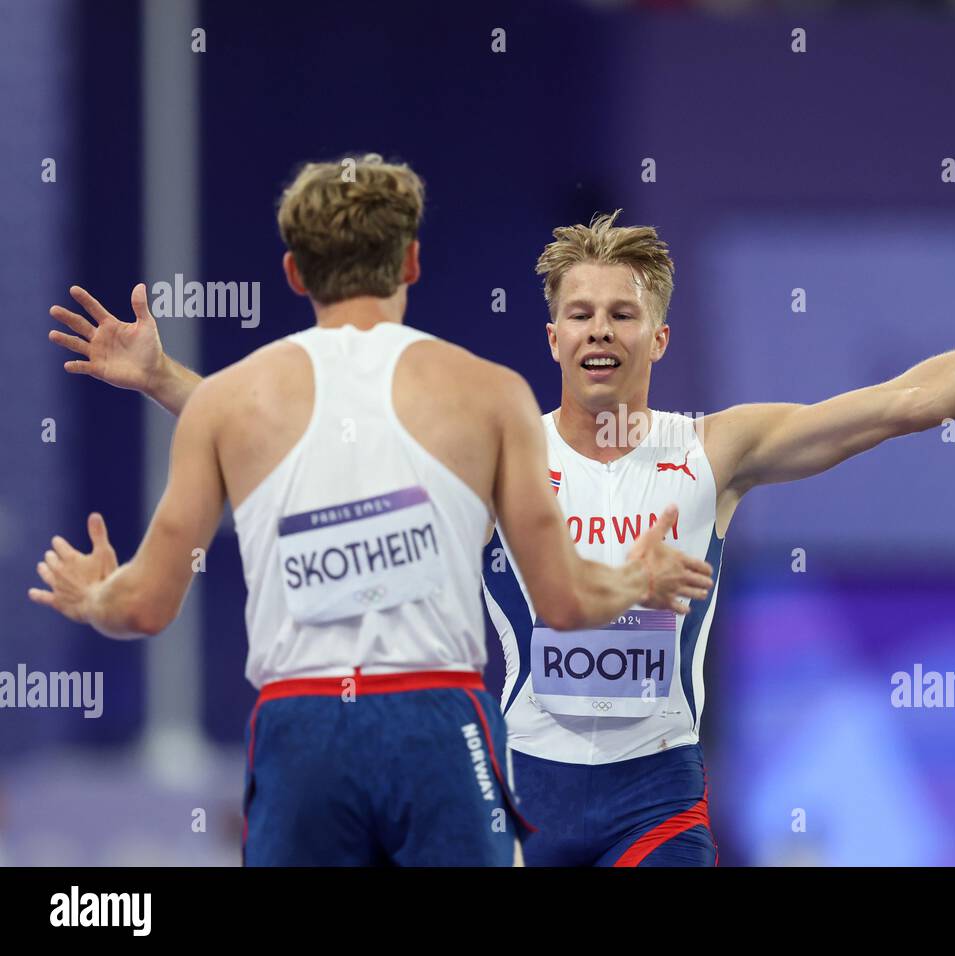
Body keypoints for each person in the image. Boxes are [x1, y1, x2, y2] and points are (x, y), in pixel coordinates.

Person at [48, 205, 955, 866]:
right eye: (581, 313)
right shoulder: (495, 448)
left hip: (659, 800)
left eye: (621, 314)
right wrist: (167, 382)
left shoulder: (715, 450)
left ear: (657, 333)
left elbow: (905, 400)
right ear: (552, 333)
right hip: (523, 797)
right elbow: (298, 436)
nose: (600, 330)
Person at [30, 159, 713, 867]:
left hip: (302, 732)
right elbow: (566, 603)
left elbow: (142, 610)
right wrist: (639, 578)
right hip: (438, 725)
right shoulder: (486, 394)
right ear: (412, 262)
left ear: (295, 272)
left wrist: (93, 596)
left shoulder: (229, 403)